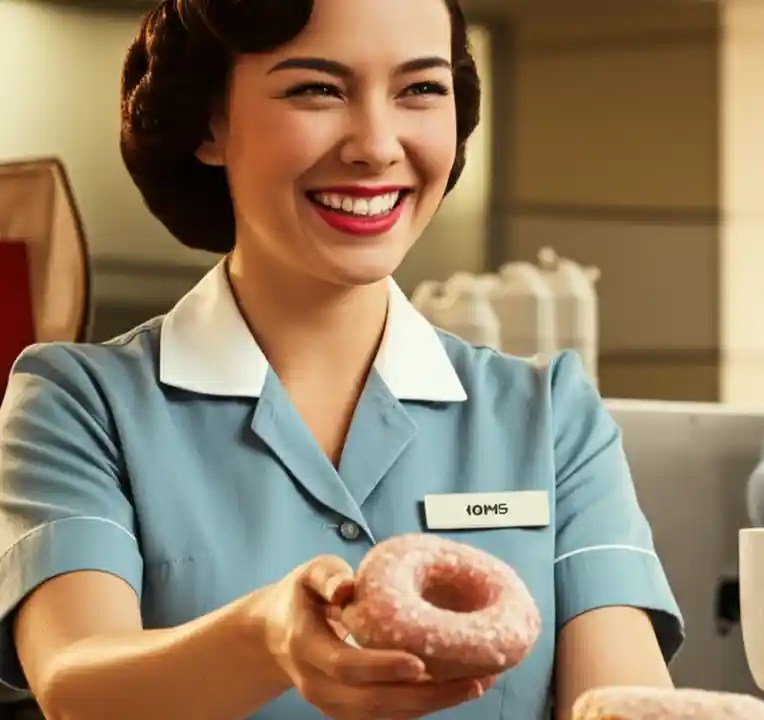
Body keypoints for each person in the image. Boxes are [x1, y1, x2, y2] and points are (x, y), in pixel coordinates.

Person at [0, 1, 684, 719]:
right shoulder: (79, 403)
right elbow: (77, 685)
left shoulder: (549, 418)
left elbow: (621, 701)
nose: (377, 145)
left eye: (420, 89)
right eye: (317, 89)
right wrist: (266, 640)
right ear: (209, 124)